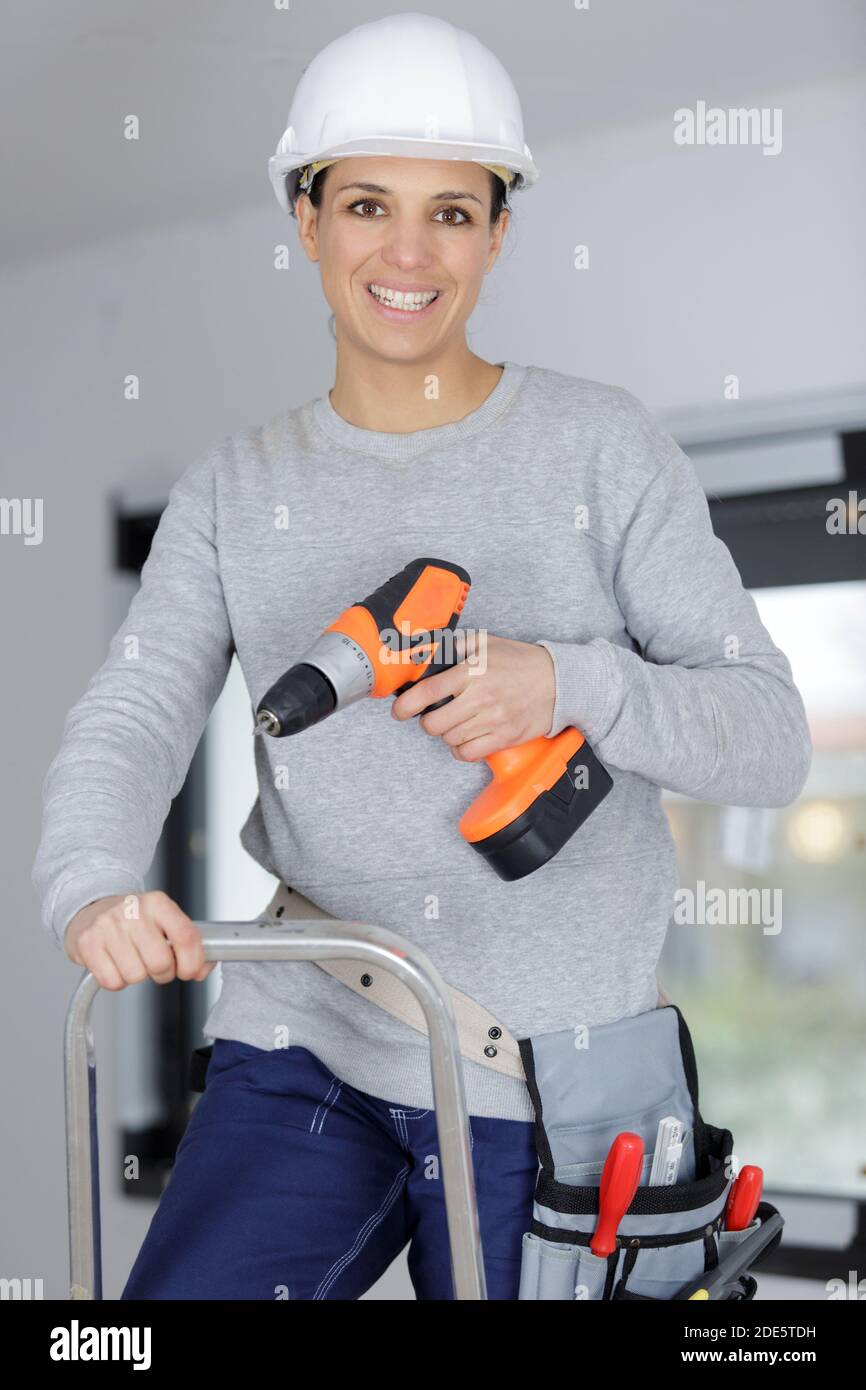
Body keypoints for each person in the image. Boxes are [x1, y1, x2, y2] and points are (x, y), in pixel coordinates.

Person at [32, 13, 811, 1300]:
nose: (406, 251)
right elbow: (131, 715)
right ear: (306, 219)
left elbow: (771, 738)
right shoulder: (234, 491)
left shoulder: (601, 450)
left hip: (551, 1076)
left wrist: (569, 681)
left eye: (451, 211)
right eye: (365, 204)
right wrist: (94, 887)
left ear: (500, 229)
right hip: (305, 1034)